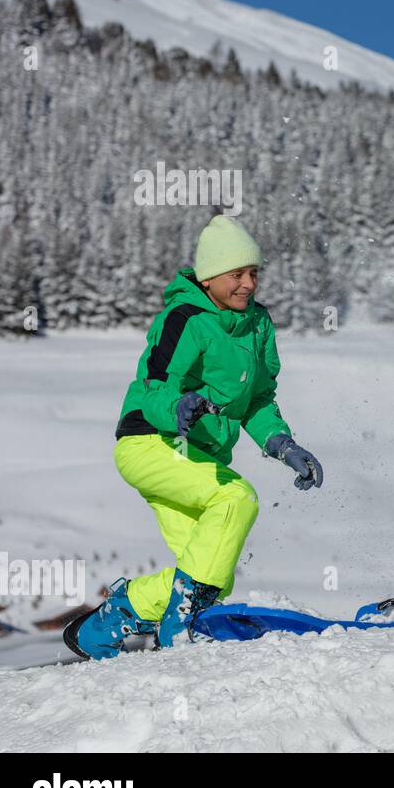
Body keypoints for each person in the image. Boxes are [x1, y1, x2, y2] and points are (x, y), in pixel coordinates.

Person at [65, 215, 323, 660]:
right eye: (236, 274)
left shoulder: (258, 326)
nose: (247, 284)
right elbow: (153, 386)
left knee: (212, 575)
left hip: (198, 455)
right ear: (208, 277)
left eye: (253, 273)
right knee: (237, 499)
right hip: (152, 442)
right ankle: (178, 628)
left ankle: (107, 620)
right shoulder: (184, 317)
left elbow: (259, 398)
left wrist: (282, 443)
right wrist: (177, 408)